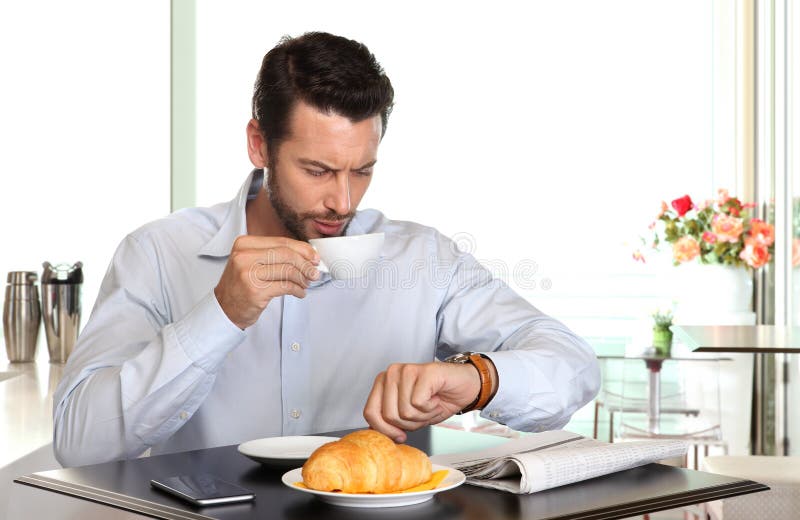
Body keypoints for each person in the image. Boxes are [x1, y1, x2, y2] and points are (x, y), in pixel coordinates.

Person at [53, 32, 600, 467]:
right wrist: (220, 315)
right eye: (317, 170)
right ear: (259, 144)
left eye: (362, 171)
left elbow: (573, 367)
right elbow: (79, 442)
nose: (342, 200)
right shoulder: (156, 254)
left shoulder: (421, 259)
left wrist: (477, 378)